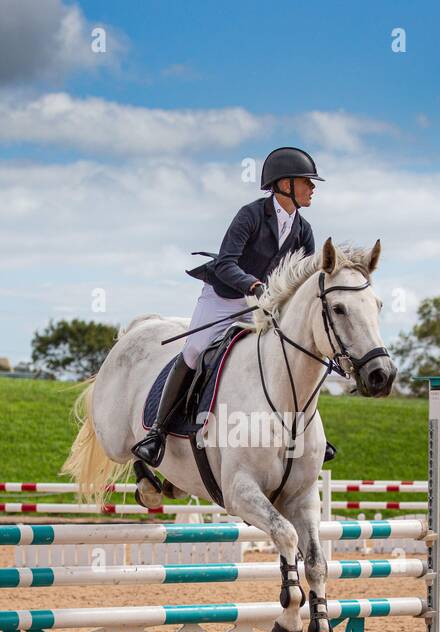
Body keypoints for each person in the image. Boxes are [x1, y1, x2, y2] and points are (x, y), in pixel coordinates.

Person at [131, 146, 322, 467]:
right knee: (195, 351)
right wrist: (254, 285)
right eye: (307, 182)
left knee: (295, 354)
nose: (313, 188)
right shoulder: (250, 215)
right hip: (223, 295)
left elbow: (304, 279)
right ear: (284, 184)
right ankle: (158, 433)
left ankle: (305, 433)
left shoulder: (304, 230)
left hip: (263, 303)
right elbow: (225, 263)